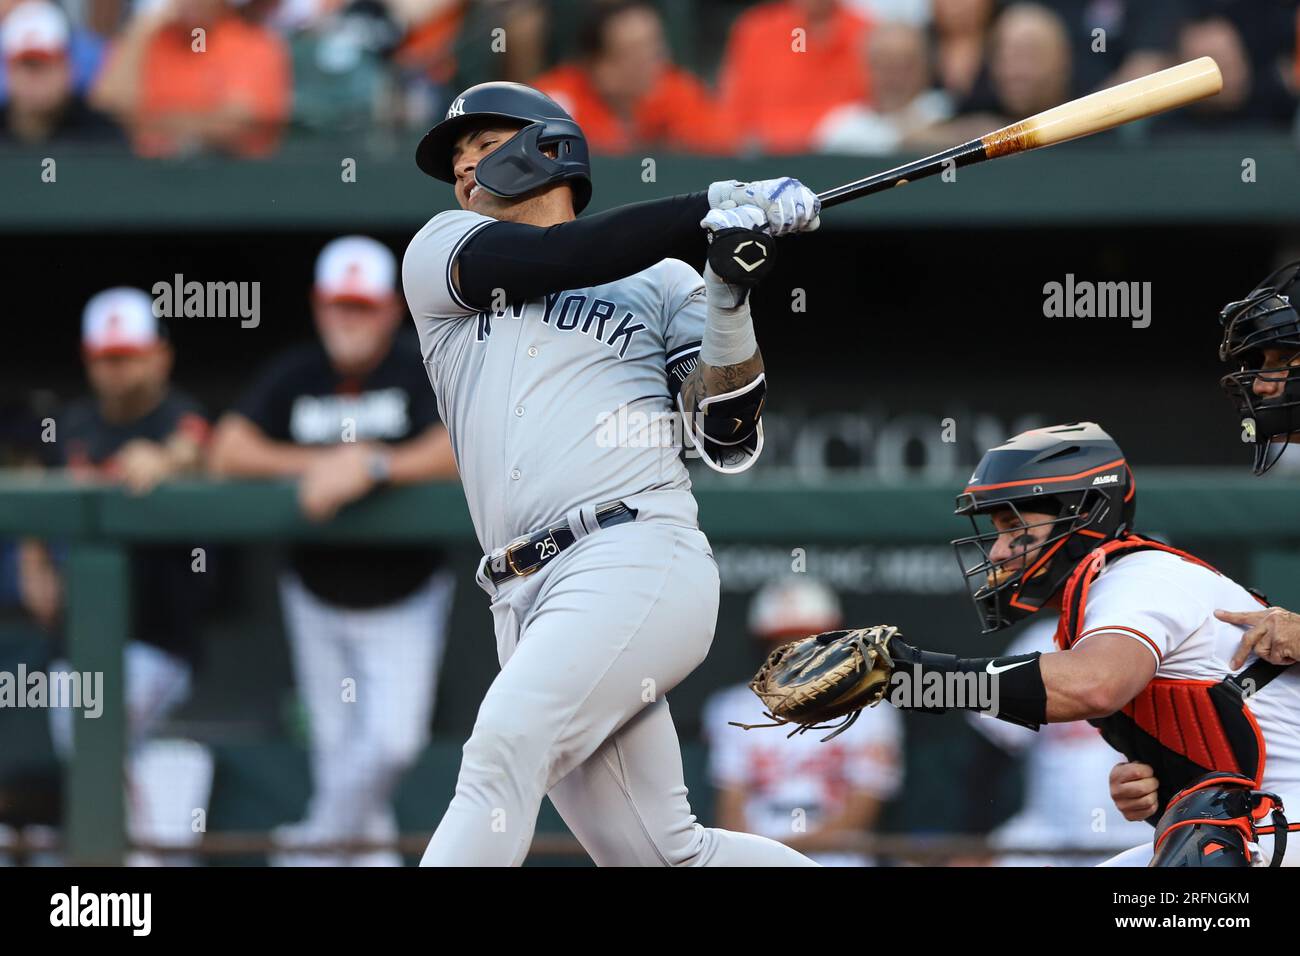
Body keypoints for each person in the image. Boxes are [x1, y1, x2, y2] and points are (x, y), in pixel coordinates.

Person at [403, 80, 823, 866]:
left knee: (501, 753)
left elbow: (725, 434)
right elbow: (567, 255)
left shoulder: (664, 283)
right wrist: (715, 202)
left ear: (548, 148)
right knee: (666, 858)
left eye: (482, 148)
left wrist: (729, 295)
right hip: (517, 592)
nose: (463, 172)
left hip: (633, 554)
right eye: (456, 160)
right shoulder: (442, 252)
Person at [814, 422, 1297, 866]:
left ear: (1082, 514)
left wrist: (911, 678)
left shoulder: (1141, 575)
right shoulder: (1103, 597)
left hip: (1281, 823)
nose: (1000, 550)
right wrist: (1163, 786)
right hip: (1252, 824)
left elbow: (1092, 686)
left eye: (1014, 527)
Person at [208, 235, 458, 867]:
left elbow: (461, 445)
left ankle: (309, 847)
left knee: (393, 744)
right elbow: (228, 450)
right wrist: (323, 464)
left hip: (404, 595)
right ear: (319, 307)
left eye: (363, 307)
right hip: (315, 594)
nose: (349, 321)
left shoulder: (417, 365)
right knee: (338, 751)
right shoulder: (296, 373)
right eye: (338, 306)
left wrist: (372, 464)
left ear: (390, 311)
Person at [20, 287, 214, 860]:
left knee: (99, 721)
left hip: (160, 640)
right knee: (85, 729)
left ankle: (115, 859)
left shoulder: (179, 415)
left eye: (128, 355)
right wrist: (35, 563)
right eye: (107, 357)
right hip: (78, 641)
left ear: (159, 355)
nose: (118, 370)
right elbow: (33, 498)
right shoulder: (69, 426)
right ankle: (140, 854)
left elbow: (204, 445)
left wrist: (167, 459)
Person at [704, 578, 903, 866]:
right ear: (765, 644)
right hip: (756, 850)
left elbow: (862, 812)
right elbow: (730, 811)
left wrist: (782, 852)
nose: (797, 652)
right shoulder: (732, 707)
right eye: (784, 640)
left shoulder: (873, 706)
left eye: (810, 639)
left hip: (838, 856)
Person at [965, 613, 1151, 866]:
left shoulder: (1150, 636)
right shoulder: (1040, 639)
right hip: (1047, 831)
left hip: (1136, 831)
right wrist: (975, 841)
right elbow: (989, 752)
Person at [90, 0, 290, 158]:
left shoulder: (253, 42)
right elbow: (107, 103)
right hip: (150, 180)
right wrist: (144, 27)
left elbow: (236, 124)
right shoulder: (152, 39)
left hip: (232, 183)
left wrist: (146, 121)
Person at [533, 0, 732, 155]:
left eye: (656, 47)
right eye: (636, 52)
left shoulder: (676, 89)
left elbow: (718, 150)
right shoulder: (554, 102)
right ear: (600, 67)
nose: (656, 61)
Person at [716, 0, 873, 154]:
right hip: (768, 155)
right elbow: (735, 112)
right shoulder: (759, 30)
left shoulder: (864, 31)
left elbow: (874, 110)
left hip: (844, 153)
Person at [814, 20, 953, 154]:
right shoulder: (841, 126)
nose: (893, 75)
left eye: (904, 65)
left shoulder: (944, 110)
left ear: (925, 68)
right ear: (865, 67)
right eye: (882, 64)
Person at [0, 0, 120, 146]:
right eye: (27, 65)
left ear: (69, 68)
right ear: (9, 71)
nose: (35, 79)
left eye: (46, 64)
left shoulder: (102, 136)